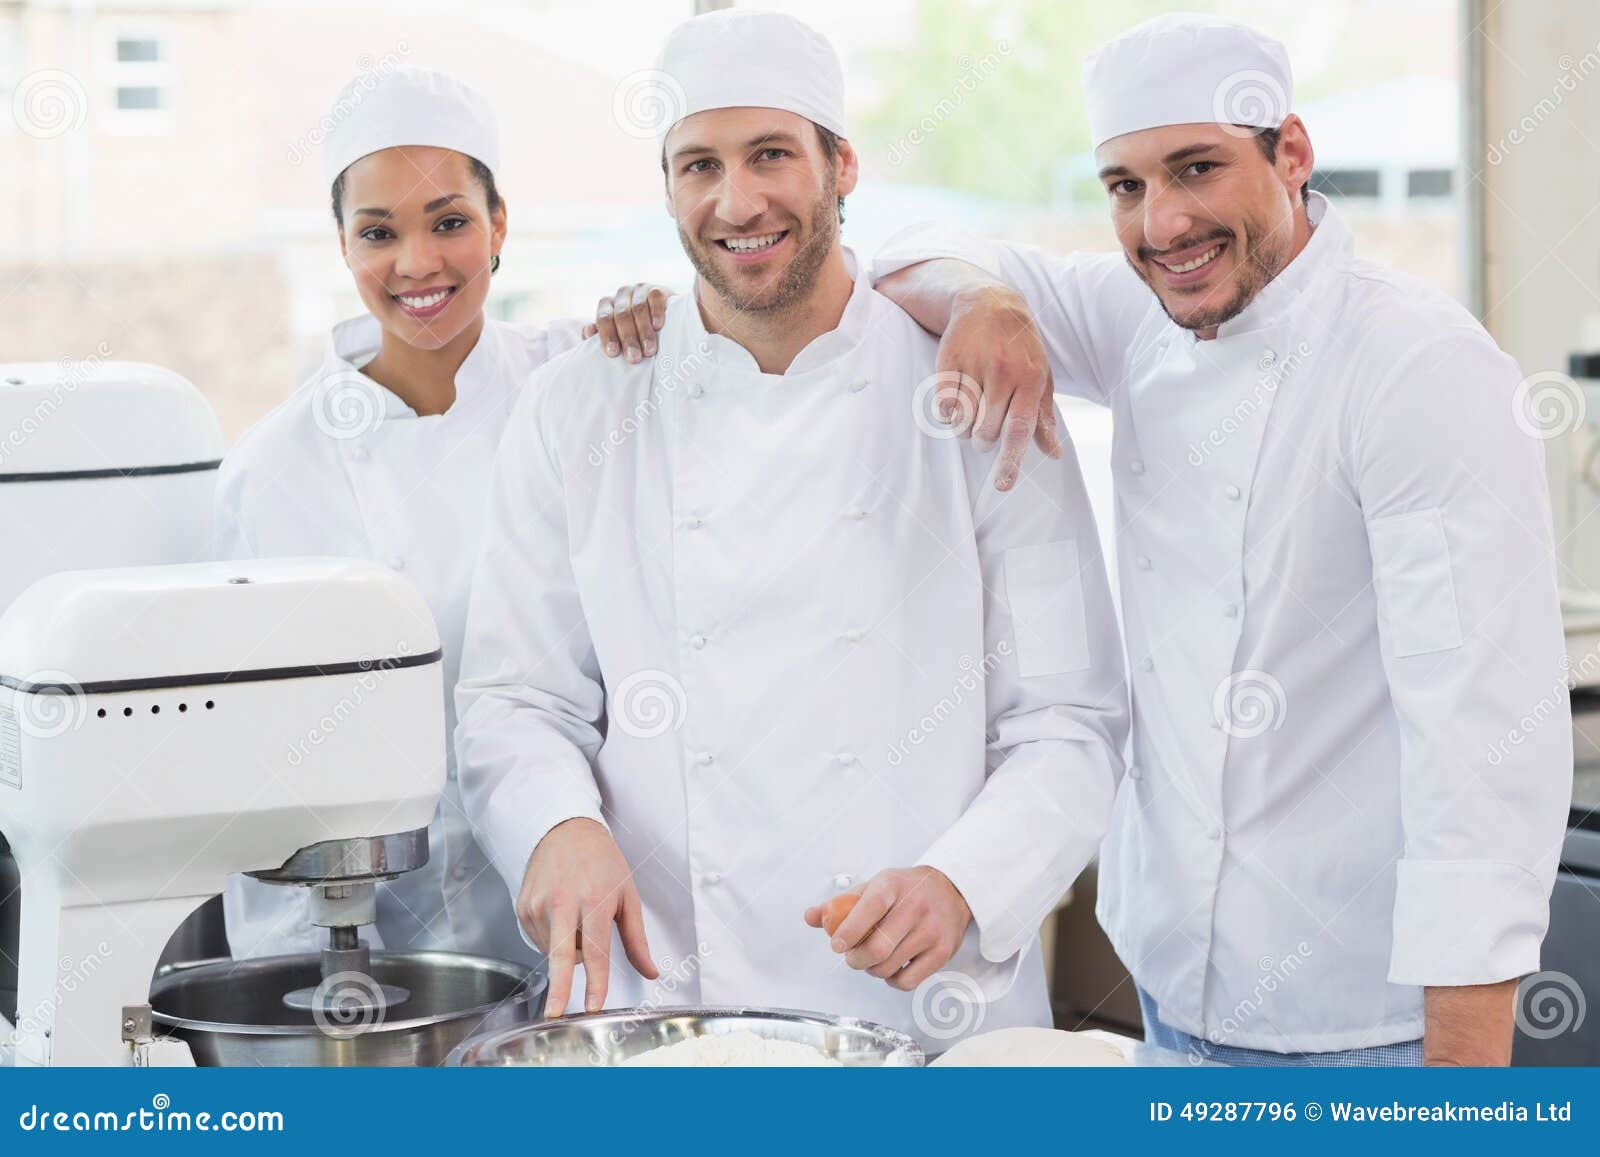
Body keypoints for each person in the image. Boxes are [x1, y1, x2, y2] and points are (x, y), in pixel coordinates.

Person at [593, 11, 1573, 1068]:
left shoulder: (1416, 369)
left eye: (1196, 169)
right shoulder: (1136, 315)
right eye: (1125, 185)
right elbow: (902, 257)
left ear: (1289, 153)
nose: (1163, 222)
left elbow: (1481, 755)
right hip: (1174, 995)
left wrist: (1460, 1094)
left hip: (1370, 1023)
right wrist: (989, 299)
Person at [455, 9, 1128, 1051]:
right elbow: (514, 699)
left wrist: (963, 879)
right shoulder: (578, 408)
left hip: (923, 1003)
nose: (737, 200)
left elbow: (1071, 718)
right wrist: (558, 823)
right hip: (670, 1000)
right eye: (699, 165)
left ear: (841, 165)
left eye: (771, 154)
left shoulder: (974, 389)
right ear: (668, 185)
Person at [213, 66, 584, 964]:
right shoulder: (273, 470)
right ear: (341, 245)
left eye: (449, 221)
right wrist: (313, 979)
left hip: (577, 929)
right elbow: (252, 757)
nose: (417, 263)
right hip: (358, 963)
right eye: (378, 231)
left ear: (500, 224)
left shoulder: (577, 393)